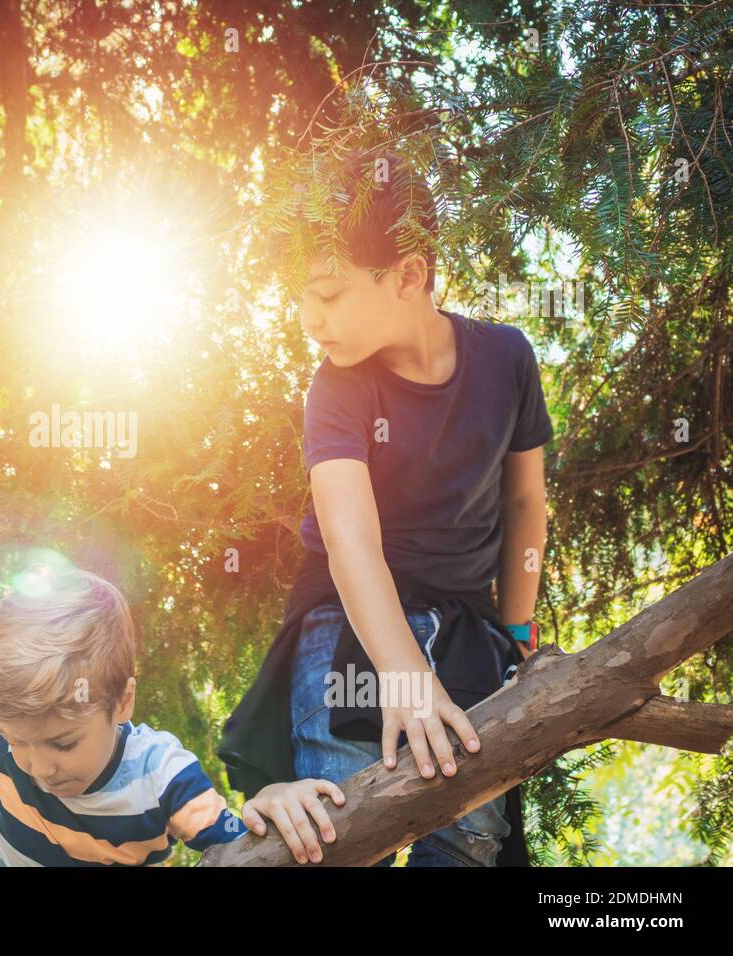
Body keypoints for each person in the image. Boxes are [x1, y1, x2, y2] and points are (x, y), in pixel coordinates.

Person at [219, 151, 554, 866]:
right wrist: (403, 676)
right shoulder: (337, 389)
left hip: (466, 632)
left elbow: (526, 501)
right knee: (343, 827)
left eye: (330, 295)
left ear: (409, 274)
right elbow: (351, 547)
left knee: (468, 835)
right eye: (301, 297)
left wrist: (519, 629)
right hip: (346, 630)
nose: (310, 320)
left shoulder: (507, 358)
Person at [0, 475, 347, 865]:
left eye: (61, 743)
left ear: (123, 703)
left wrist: (270, 800)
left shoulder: (161, 776)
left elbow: (235, 844)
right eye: (20, 743)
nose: (39, 767)